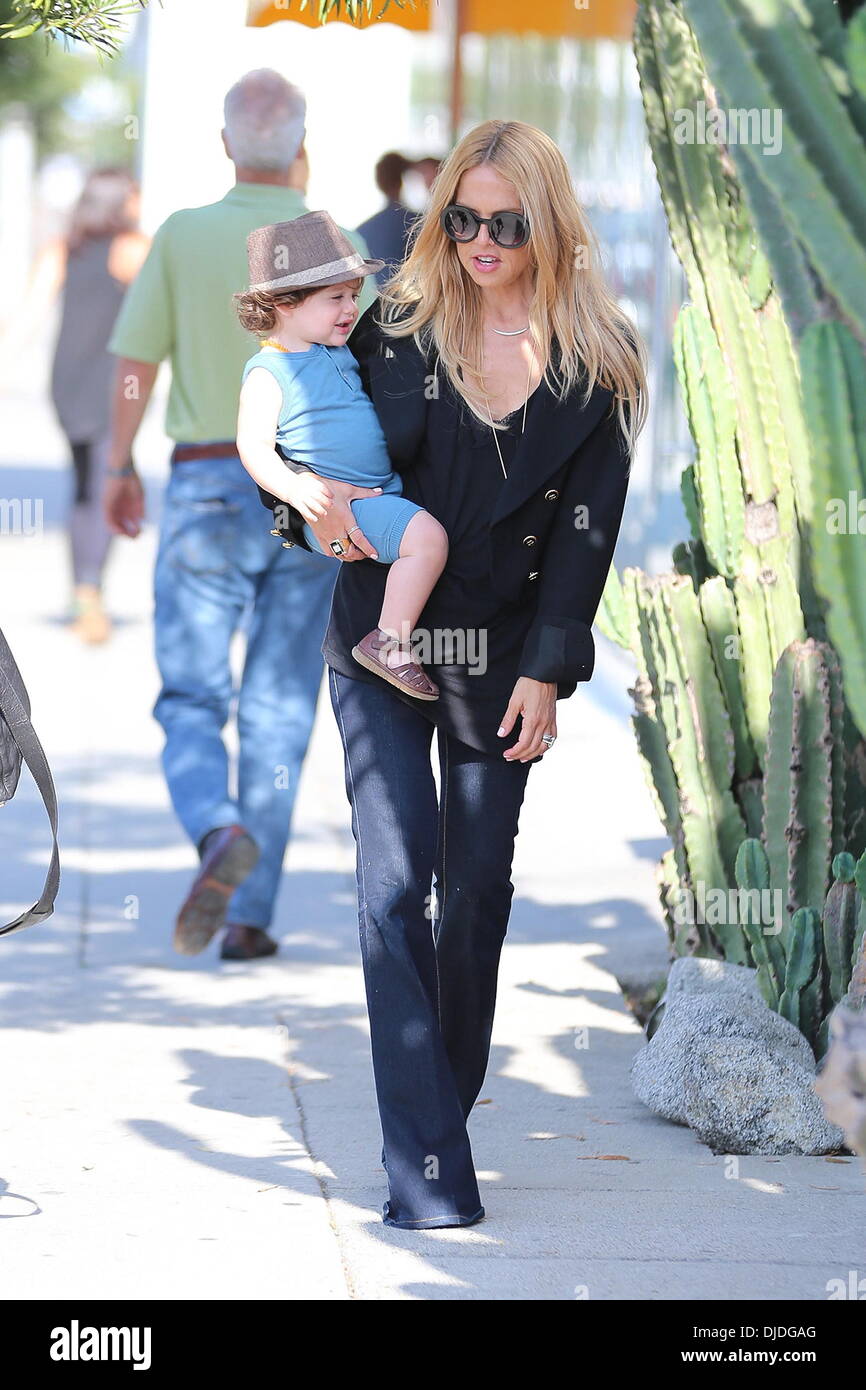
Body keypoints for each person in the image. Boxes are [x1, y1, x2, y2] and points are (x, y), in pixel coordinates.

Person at [297, 119, 648, 1228]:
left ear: (547, 225)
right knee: (394, 881)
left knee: (475, 893)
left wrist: (548, 670)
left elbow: (586, 538)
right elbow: (312, 455)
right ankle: (427, 1167)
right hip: (383, 640)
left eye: (505, 222)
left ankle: (437, 1104)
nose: (481, 241)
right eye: (462, 218)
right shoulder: (390, 329)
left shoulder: (597, 366)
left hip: (500, 660)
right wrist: (308, 518)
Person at [103, 69, 378, 962]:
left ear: (228, 145)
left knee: (191, 692)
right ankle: (251, 915)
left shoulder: (182, 234)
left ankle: (217, 829)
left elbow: (137, 365)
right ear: (302, 149)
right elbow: (372, 381)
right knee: (277, 705)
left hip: (208, 486)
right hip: (313, 499)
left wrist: (117, 465)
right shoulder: (337, 246)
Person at [234, 211, 448, 701]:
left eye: (354, 295)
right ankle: (389, 642)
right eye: (336, 298)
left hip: (372, 495)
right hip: (334, 504)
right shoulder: (270, 371)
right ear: (283, 303)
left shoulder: (335, 350)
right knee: (429, 542)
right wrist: (293, 488)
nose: (351, 308)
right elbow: (253, 446)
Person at [34, 168, 149, 642]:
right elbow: (153, 318)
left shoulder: (63, 248)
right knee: (109, 480)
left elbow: (29, 310)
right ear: (121, 200)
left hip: (66, 382)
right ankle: (89, 594)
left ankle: (84, 591)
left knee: (84, 484)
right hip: (110, 385)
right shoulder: (134, 249)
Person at [356, 152, 417, 290]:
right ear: (404, 179)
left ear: (378, 182)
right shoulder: (421, 223)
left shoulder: (360, 233)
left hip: (374, 308)